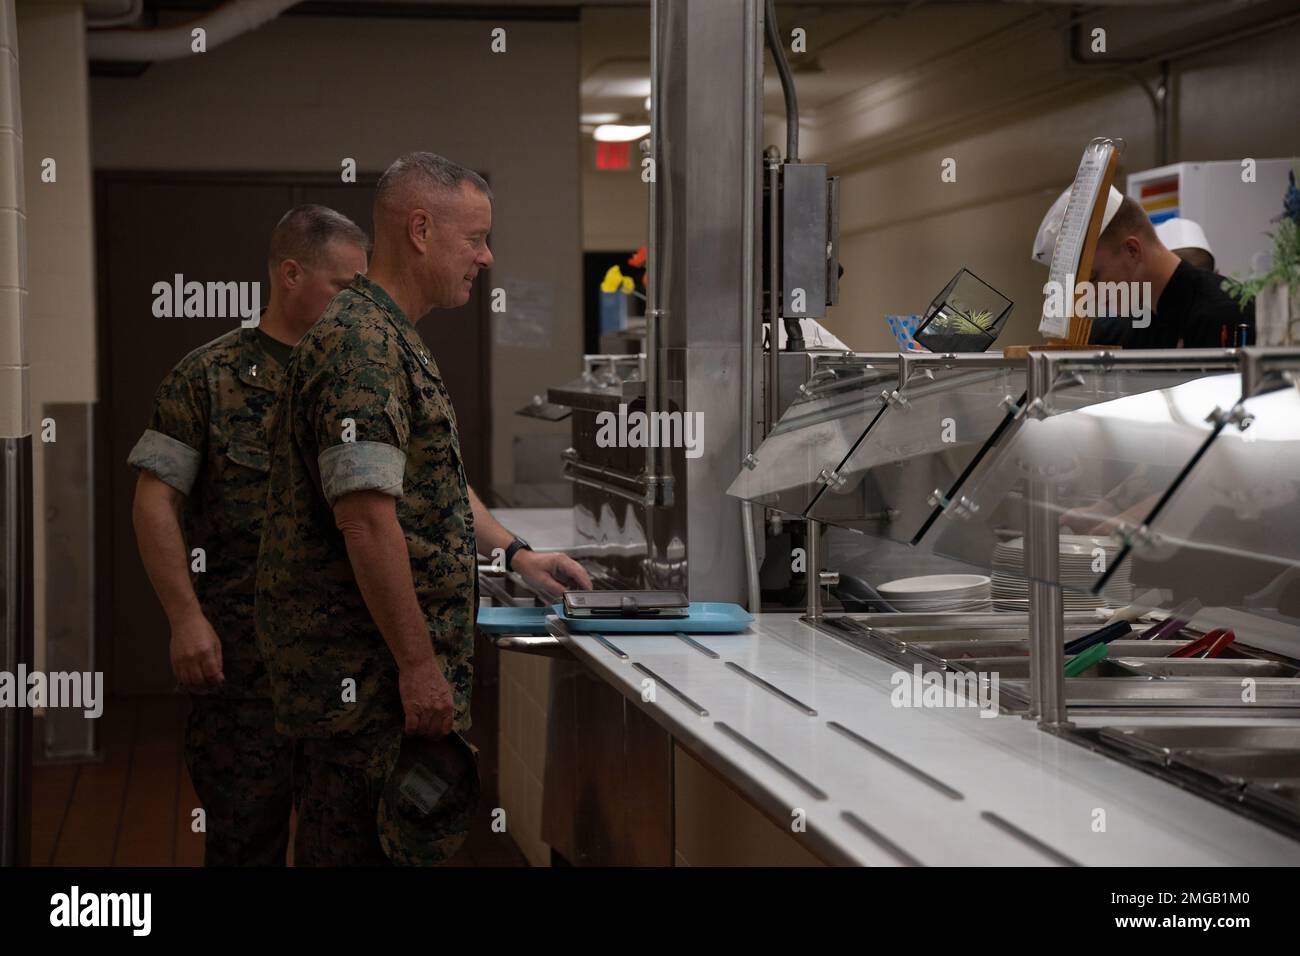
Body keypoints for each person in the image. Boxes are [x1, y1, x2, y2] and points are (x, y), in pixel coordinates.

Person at [254, 151, 592, 866]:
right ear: (419, 229)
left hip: (376, 687)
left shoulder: (391, 336)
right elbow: (365, 519)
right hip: (364, 692)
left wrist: (515, 553)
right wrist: (417, 664)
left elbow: (429, 483)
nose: (487, 256)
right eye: (474, 239)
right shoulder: (362, 347)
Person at [129, 205, 370, 865]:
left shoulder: (357, 383)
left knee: (346, 848)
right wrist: (185, 619)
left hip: (345, 668)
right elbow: (154, 502)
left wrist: (514, 550)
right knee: (244, 844)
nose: (355, 307)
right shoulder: (206, 377)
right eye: (344, 288)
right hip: (242, 664)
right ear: (291, 274)